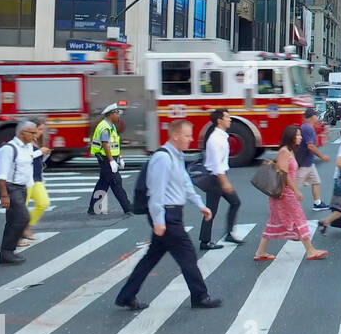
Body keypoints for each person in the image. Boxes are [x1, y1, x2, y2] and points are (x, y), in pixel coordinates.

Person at [114, 119, 221, 310]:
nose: (191, 139)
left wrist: (200, 205)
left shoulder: (177, 156)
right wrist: (159, 220)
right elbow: (156, 192)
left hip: (171, 214)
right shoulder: (162, 158)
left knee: (151, 257)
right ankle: (200, 296)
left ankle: (126, 296)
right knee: (187, 254)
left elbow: (186, 185)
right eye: (187, 135)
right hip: (167, 215)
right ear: (176, 135)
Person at [253, 125, 329, 262]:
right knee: (299, 218)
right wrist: (295, 191)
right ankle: (310, 251)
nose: (300, 137)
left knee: (275, 220)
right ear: (290, 137)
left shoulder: (289, 151)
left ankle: (260, 252)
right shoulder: (284, 152)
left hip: (284, 193)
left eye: (300, 135)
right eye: (298, 135)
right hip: (285, 193)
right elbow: (284, 174)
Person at [0, 121, 38, 265]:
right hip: (10, 188)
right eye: (31, 132)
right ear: (21, 132)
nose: (34, 135)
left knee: (13, 220)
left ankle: (6, 254)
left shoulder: (27, 147)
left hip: (21, 187)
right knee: (23, 218)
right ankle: (7, 251)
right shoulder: (9, 149)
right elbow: (0, 175)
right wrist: (4, 195)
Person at [199, 108, 244, 250]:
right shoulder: (216, 139)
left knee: (235, 202)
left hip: (218, 177)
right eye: (227, 117)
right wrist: (224, 182)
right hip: (215, 179)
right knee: (211, 210)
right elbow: (217, 164)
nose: (230, 119)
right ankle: (205, 242)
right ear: (219, 120)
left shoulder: (222, 136)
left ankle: (229, 233)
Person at [88, 103, 132, 215]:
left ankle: (93, 208)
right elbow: (105, 144)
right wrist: (112, 161)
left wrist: (120, 157)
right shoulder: (105, 127)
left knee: (103, 183)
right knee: (116, 182)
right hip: (105, 159)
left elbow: (114, 145)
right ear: (111, 114)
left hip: (109, 158)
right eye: (117, 114)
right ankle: (128, 208)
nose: (119, 116)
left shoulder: (110, 126)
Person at [21, 120, 51, 245]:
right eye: (39, 129)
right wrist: (40, 152)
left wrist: (44, 154)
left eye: (42, 130)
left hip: (37, 178)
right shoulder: (25, 142)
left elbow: (38, 160)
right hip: (26, 179)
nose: (40, 132)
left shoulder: (37, 142)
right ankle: (19, 234)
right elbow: (23, 157)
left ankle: (27, 226)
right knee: (22, 208)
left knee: (43, 203)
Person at [296, 109, 331, 210]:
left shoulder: (307, 127)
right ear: (312, 117)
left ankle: (317, 203)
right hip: (304, 163)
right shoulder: (307, 128)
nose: (317, 117)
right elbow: (310, 146)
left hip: (309, 162)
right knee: (294, 187)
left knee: (316, 181)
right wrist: (322, 156)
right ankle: (286, 206)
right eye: (316, 115)